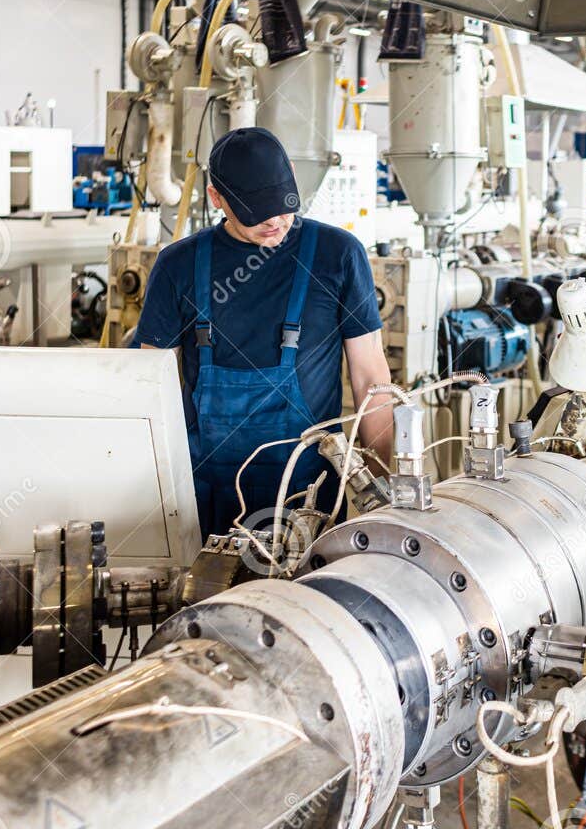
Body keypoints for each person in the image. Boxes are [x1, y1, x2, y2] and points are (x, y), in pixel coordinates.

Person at [136, 127, 394, 538]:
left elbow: (370, 378)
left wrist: (382, 484)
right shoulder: (178, 265)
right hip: (202, 494)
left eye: (281, 202)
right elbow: (149, 383)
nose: (274, 220)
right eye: (255, 211)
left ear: (292, 175)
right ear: (216, 198)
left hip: (309, 494)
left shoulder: (338, 255)